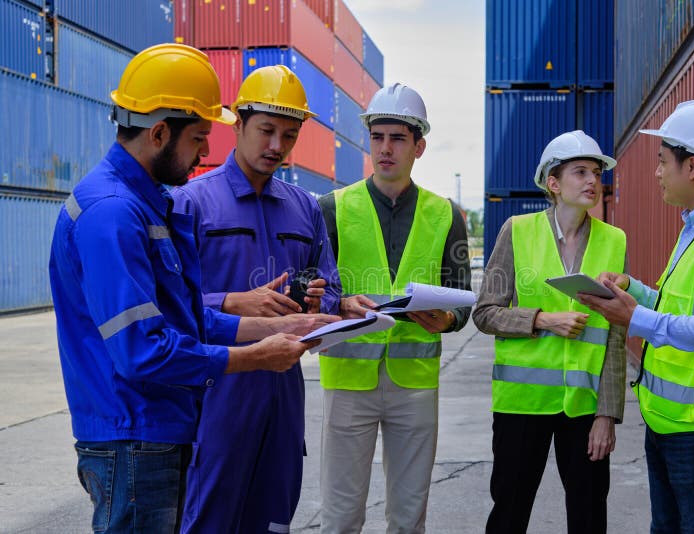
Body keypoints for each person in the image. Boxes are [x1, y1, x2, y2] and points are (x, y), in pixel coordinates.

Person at [48, 45, 338, 533]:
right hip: (134, 430)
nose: (206, 151)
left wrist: (283, 323)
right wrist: (253, 354)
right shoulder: (115, 214)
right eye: (200, 137)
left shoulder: (145, 206)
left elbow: (180, 319)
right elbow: (143, 350)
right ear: (159, 132)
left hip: (158, 426)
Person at [578, 100, 694, 534]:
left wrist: (637, 318)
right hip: (670, 422)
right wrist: (634, 289)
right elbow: (680, 305)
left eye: (663, 163)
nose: (657, 173)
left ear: (692, 166)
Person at [171, 65, 341, 534]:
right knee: (209, 521)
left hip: (283, 399)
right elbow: (168, 309)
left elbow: (334, 291)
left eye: (288, 135)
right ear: (238, 123)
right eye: (266, 130)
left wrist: (320, 306)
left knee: (273, 522)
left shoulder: (305, 207)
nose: (276, 147)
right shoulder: (191, 204)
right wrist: (231, 300)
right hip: (216, 393)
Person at [316, 83, 472, 533]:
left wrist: (447, 318)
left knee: (408, 516)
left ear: (418, 146)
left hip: (415, 385)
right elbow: (312, 282)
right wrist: (339, 301)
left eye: (398, 138)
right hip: (348, 380)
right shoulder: (333, 208)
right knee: (341, 517)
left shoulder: (446, 214)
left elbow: (460, 293)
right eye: (378, 137)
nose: (385, 148)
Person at [473, 130, 627, 534]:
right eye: (581, 172)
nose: (593, 180)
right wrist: (542, 319)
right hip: (521, 405)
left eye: (596, 171)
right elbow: (486, 312)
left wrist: (607, 415)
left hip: (583, 408)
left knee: (590, 515)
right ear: (554, 184)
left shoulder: (615, 240)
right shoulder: (517, 230)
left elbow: (614, 335)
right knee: (509, 513)